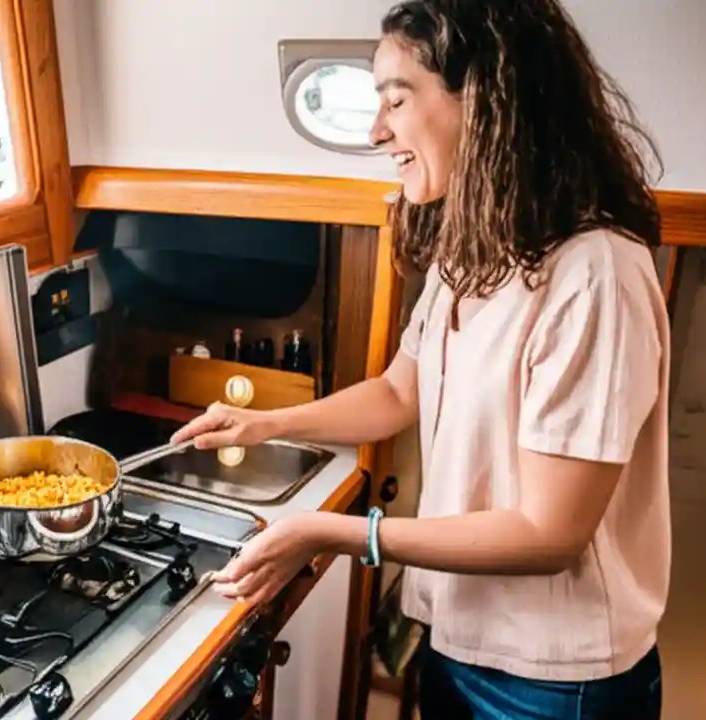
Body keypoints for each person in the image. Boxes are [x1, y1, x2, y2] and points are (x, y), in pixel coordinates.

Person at [170, 1, 670, 717]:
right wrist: (264, 425)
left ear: (490, 101)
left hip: (558, 679)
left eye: (396, 99)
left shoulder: (595, 275)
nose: (378, 131)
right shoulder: (472, 250)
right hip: (461, 639)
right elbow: (399, 391)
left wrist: (330, 533)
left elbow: (550, 533)